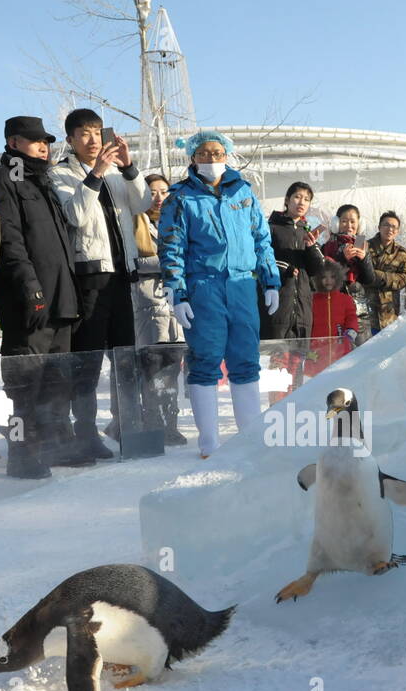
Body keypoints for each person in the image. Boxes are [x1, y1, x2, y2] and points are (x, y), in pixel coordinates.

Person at [158, 130, 281, 458]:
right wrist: (176, 290)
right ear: (193, 158)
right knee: (207, 360)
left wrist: (270, 280)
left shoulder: (243, 192)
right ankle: (210, 443)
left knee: (245, 360)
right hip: (204, 287)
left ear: (227, 155)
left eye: (217, 153)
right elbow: (171, 246)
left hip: (241, 285)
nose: (211, 159)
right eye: (204, 154)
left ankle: (250, 438)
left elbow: (261, 238)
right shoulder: (180, 197)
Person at [0, 115, 88, 478]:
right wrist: (30, 289)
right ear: (13, 143)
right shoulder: (4, 180)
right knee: (25, 383)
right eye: (34, 141)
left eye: (45, 141)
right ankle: (23, 453)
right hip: (29, 300)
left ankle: (57, 444)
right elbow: (10, 241)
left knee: (58, 379)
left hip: (61, 295)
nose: (43, 147)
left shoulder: (42, 181)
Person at [49, 108, 150, 458]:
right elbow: (74, 215)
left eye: (97, 132)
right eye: (85, 134)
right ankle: (85, 432)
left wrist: (127, 166)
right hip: (90, 275)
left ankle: (128, 426)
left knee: (125, 357)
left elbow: (145, 202)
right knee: (88, 360)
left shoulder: (117, 175)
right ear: (71, 140)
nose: (94, 140)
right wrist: (97, 173)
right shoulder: (61, 174)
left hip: (123, 275)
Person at [131, 172, 186, 445]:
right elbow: (132, 262)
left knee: (172, 372)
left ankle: (171, 424)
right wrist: (167, 263)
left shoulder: (178, 224)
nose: (159, 197)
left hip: (175, 307)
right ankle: (153, 423)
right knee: (151, 371)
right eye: (152, 192)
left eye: (164, 191)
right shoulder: (134, 223)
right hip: (148, 307)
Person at [261, 181, 324, 342]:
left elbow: (317, 270)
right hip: (277, 305)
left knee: (298, 362)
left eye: (307, 199)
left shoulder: (308, 232)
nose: (302, 202)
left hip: (303, 310)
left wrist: (311, 247)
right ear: (287, 200)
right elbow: (260, 259)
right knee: (273, 360)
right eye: (297, 197)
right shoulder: (271, 227)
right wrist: (284, 268)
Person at [321, 204, 375, 339]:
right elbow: (324, 277)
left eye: (353, 222)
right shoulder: (327, 246)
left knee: (361, 350)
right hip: (334, 304)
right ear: (336, 223)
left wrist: (364, 259)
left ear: (359, 224)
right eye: (344, 221)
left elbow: (369, 279)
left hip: (358, 308)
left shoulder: (362, 244)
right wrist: (342, 258)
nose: (349, 225)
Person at [365, 210, 406, 332]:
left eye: (394, 227)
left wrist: (380, 277)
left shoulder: (402, 253)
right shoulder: (365, 247)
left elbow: (405, 278)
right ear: (379, 227)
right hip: (367, 311)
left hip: (389, 314)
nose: (390, 229)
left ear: (398, 231)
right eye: (386, 225)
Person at [309, 257, 356, 372]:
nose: (328, 281)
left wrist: (351, 330)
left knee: (339, 378)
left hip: (340, 349)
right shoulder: (312, 300)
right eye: (324, 277)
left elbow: (351, 316)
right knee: (316, 381)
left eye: (332, 277)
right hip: (317, 352)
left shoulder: (345, 299)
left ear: (338, 278)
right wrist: (308, 347)